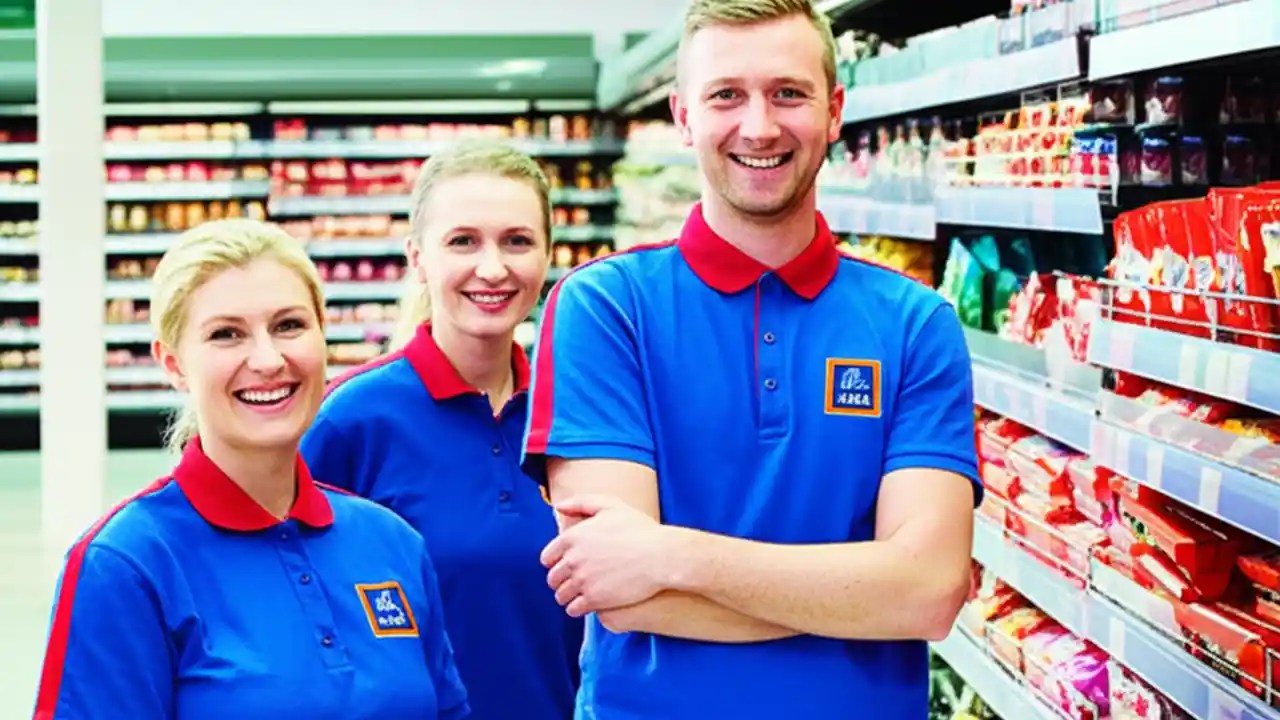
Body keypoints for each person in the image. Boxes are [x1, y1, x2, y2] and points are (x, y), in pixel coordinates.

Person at [522, 1, 983, 718]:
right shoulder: (605, 308)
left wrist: (675, 555)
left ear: (834, 111)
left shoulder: (916, 324)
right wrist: (866, 593)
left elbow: (927, 593)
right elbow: (619, 591)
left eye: (788, 93)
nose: (760, 126)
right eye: (726, 95)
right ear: (684, 115)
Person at [31, 219, 469, 720]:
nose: (267, 358)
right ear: (172, 364)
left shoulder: (392, 543)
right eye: (226, 334)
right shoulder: (126, 566)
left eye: (289, 326)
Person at [300, 141, 582, 720]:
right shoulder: (352, 422)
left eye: (517, 241)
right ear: (417, 257)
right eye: (463, 241)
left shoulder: (580, 410)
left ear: (548, 255)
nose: (493, 267)